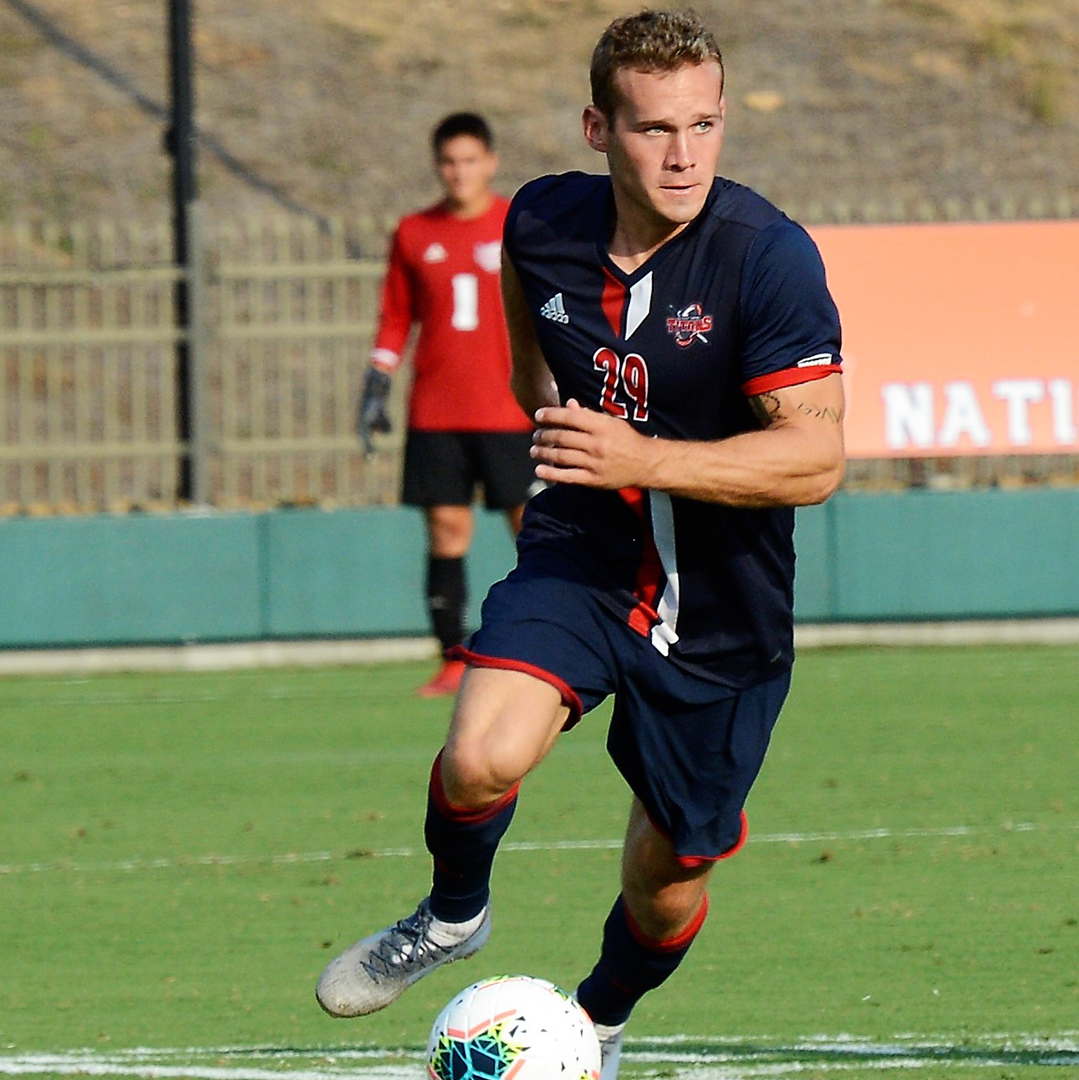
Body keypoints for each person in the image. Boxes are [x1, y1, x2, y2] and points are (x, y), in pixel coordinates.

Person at [320, 11, 845, 1078]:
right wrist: (573, 434)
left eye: (704, 125)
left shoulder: (766, 257)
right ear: (599, 129)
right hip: (584, 557)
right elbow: (534, 373)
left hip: (723, 610)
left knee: (669, 878)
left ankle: (597, 1020)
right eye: (655, 129)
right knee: (479, 759)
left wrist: (641, 456)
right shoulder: (540, 220)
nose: (685, 155)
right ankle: (452, 915)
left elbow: (816, 459)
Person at [359, 112, 537, 698]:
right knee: (446, 530)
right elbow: (395, 316)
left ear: (490, 162)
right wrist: (377, 380)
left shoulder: (517, 224)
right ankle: (454, 656)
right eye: (449, 162)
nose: (459, 172)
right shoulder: (414, 232)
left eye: (469, 160)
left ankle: (539, 646)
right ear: (437, 166)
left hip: (509, 410)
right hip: (437, 411)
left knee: (534, 529)